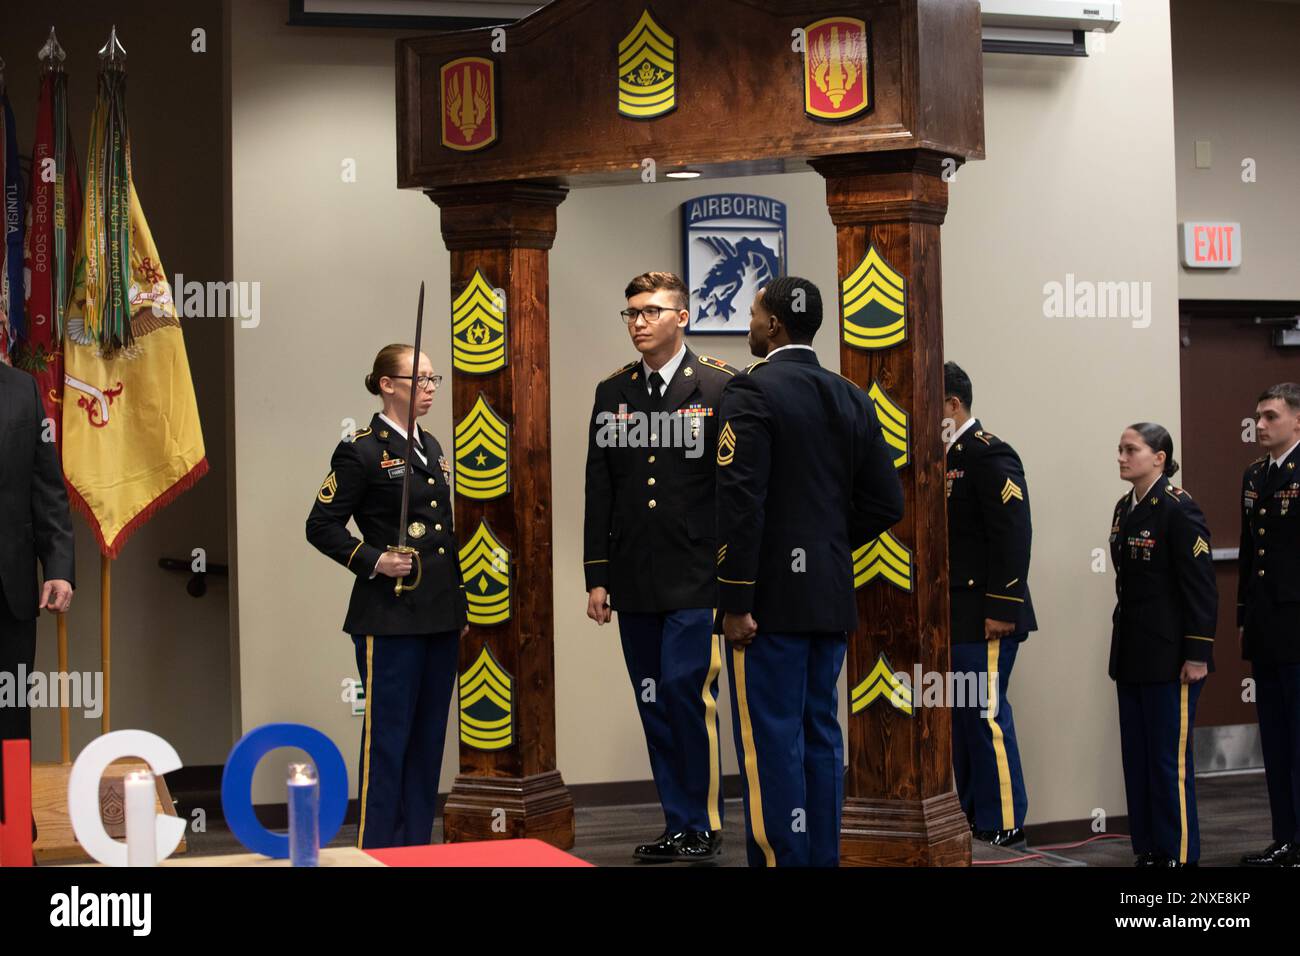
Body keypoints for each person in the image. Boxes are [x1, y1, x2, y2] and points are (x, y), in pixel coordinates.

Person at [714, 276, 903, 867]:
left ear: (772, 325)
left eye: (752, 315)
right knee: (821, 733)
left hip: (767, 602)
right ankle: (820, 858)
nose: (749, 324)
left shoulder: (752, 390)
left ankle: (781, 860)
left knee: (770, 737)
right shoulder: (851, 395)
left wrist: (736, 599)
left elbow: (740, 501)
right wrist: (824, 544)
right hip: (826, 593)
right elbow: (886, 503)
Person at [583, 271, 736, 863]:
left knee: (684, 692)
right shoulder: (612, 391)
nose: (639, 322)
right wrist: (597, 574)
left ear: (683, 316)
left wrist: (735, 576)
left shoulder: (721, 387)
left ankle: (704, 821)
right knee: (652, 699)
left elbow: (736, 490)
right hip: (634, 574)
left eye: (650, 311)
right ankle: (679, 822)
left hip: (698, 575)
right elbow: (602, 487)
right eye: (631, 314)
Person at [306, 343, 468, 850]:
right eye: (419, 379)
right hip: (391, 615)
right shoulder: (361, 449)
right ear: (386, 385)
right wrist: (375, 559)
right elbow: (321, 525)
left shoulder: (432, 446)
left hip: (438, 615)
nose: (430, 388)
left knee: (427, 743)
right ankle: (379, 850)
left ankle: (415, 849)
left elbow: (443, 533)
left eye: (433, 379)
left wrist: (457, 607)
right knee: (389, 743)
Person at [1108, 423, 1216, 867]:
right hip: (1132, 651)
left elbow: (1201, 588)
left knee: (1168, 762)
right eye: (1119, 449)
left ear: (1159, 457)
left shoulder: (1178, 509)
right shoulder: (1123, 507)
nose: (1120, 456)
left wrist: (1197, 653)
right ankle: (1149, 847)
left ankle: (1178, 852)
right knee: (1137, 757)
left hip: (1171, 656)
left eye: (1130, 449)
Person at [942, 361, 1035, 847]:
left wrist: (1003, 605)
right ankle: (974, 817)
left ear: (953, 405)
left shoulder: (986, 452)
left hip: (987, 613)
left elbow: (1014, 533)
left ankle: (1003, 821)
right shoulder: (943, 455)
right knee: (962, 717)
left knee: (985, 714)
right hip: (958, 614)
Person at [0, 363, 75, 846]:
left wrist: (60, 566)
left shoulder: (22, 387)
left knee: (10, 713)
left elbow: (47, 488)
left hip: (10, 591)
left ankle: (11, 834)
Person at [1238, 383, 1300, 867]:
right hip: (1266, 624)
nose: (1260, 424)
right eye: (1258, 416)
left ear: (1296, 421)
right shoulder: (1255, 474)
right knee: (1275, 739)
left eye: (1271, 416)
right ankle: (1285, 837)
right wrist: (1243, 616)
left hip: (1297, 623)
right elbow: (1248, 554)